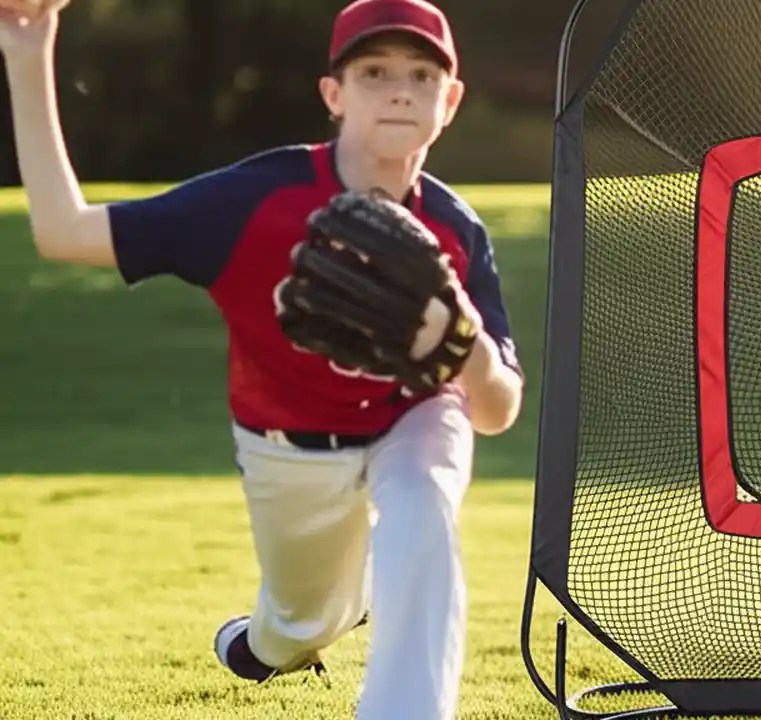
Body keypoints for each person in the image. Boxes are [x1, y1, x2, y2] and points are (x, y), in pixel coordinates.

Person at [0, 0, 524, 717]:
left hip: (414, 418)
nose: (401, 89)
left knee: (426, 500)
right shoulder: (254, 199)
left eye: (422, 73)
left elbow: (496, 411)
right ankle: (267, 641)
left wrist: (460, 338)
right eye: (374, 71)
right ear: (333, 96)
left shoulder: (457, 231)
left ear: (450, 100)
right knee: (299, 623)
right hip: (290, 450)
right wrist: (28, 57)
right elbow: (65, 234)